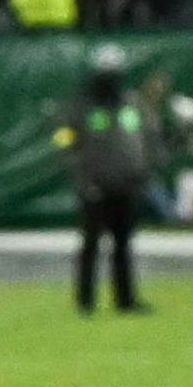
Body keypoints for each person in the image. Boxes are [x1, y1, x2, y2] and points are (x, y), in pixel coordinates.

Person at [54, 45, 152, 313]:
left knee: (123, 245)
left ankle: (126, 299)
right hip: (94, 185)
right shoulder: (82, 107)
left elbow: (147, 137)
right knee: (91, 245)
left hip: (125, 184)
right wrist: (83, 179)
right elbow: (65, 142)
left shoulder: (132, 104)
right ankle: (85, 300)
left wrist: (141, 171)